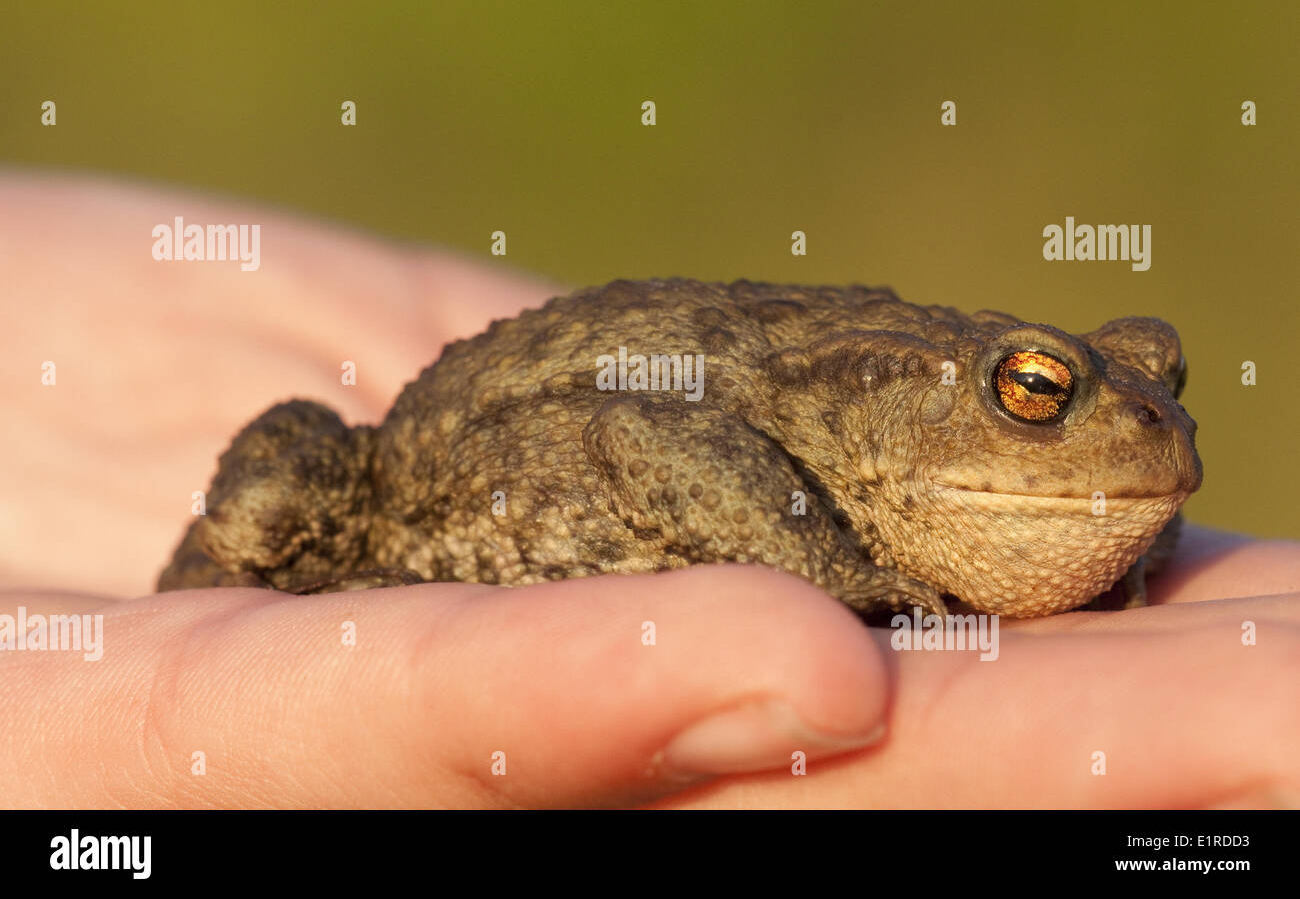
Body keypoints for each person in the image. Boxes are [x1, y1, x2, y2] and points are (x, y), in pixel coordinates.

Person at [1, 171, 1296, 808]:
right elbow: (640, 437)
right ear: (947, 397)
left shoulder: (946, 471)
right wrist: (844, 577)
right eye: (1038, 392)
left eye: (1158, 383)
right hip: (426, 473)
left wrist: (1128, 539)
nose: (1147, 426)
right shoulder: (826, 439)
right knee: (282, 485)